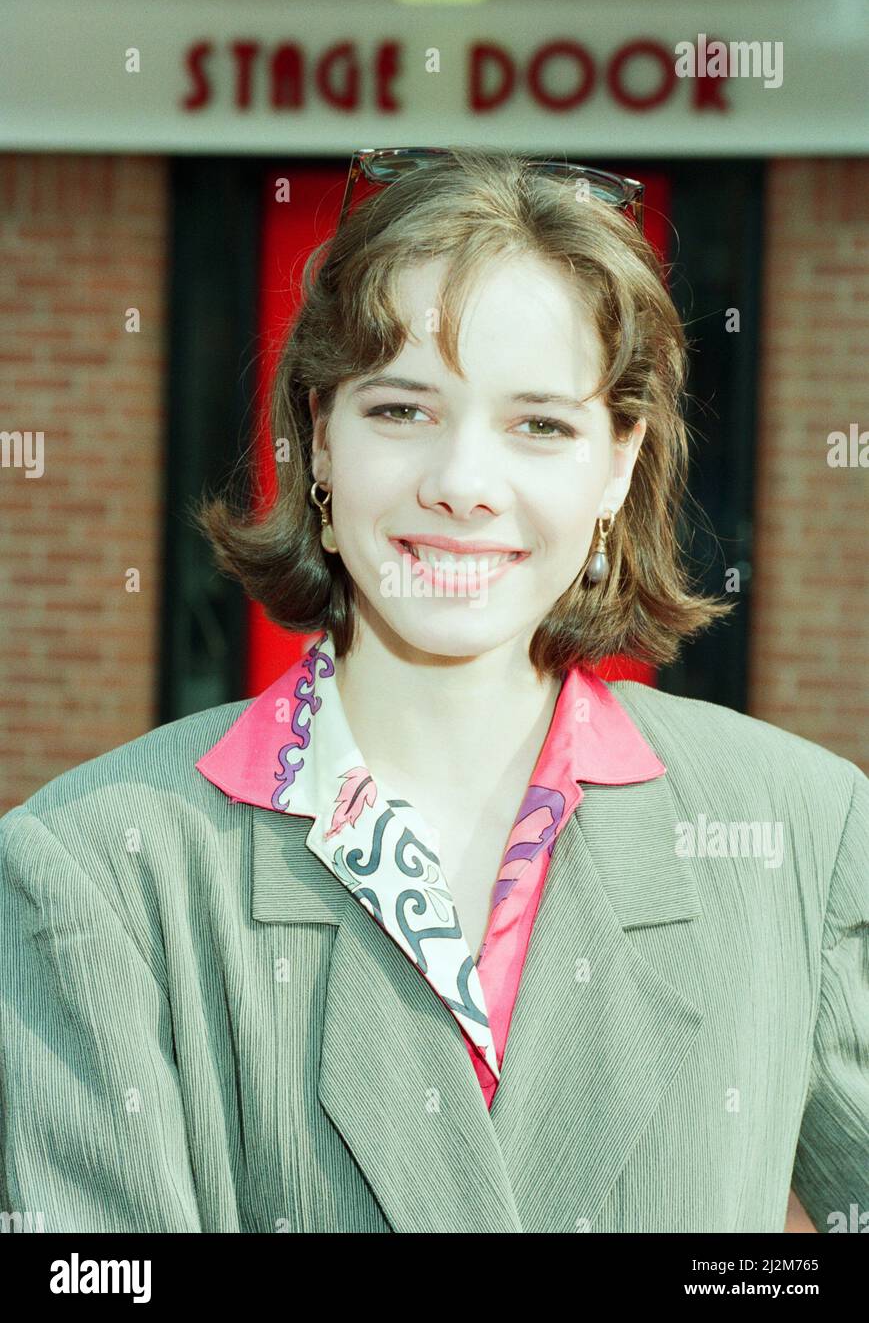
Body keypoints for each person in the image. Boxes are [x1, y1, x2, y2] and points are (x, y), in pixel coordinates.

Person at [1, 147, 866, 1235]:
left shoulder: (800, 832)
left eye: (539, 423)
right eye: (402, 409)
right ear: (320, 437)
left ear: (616, 462)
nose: (460, 482)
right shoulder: (96, 869)